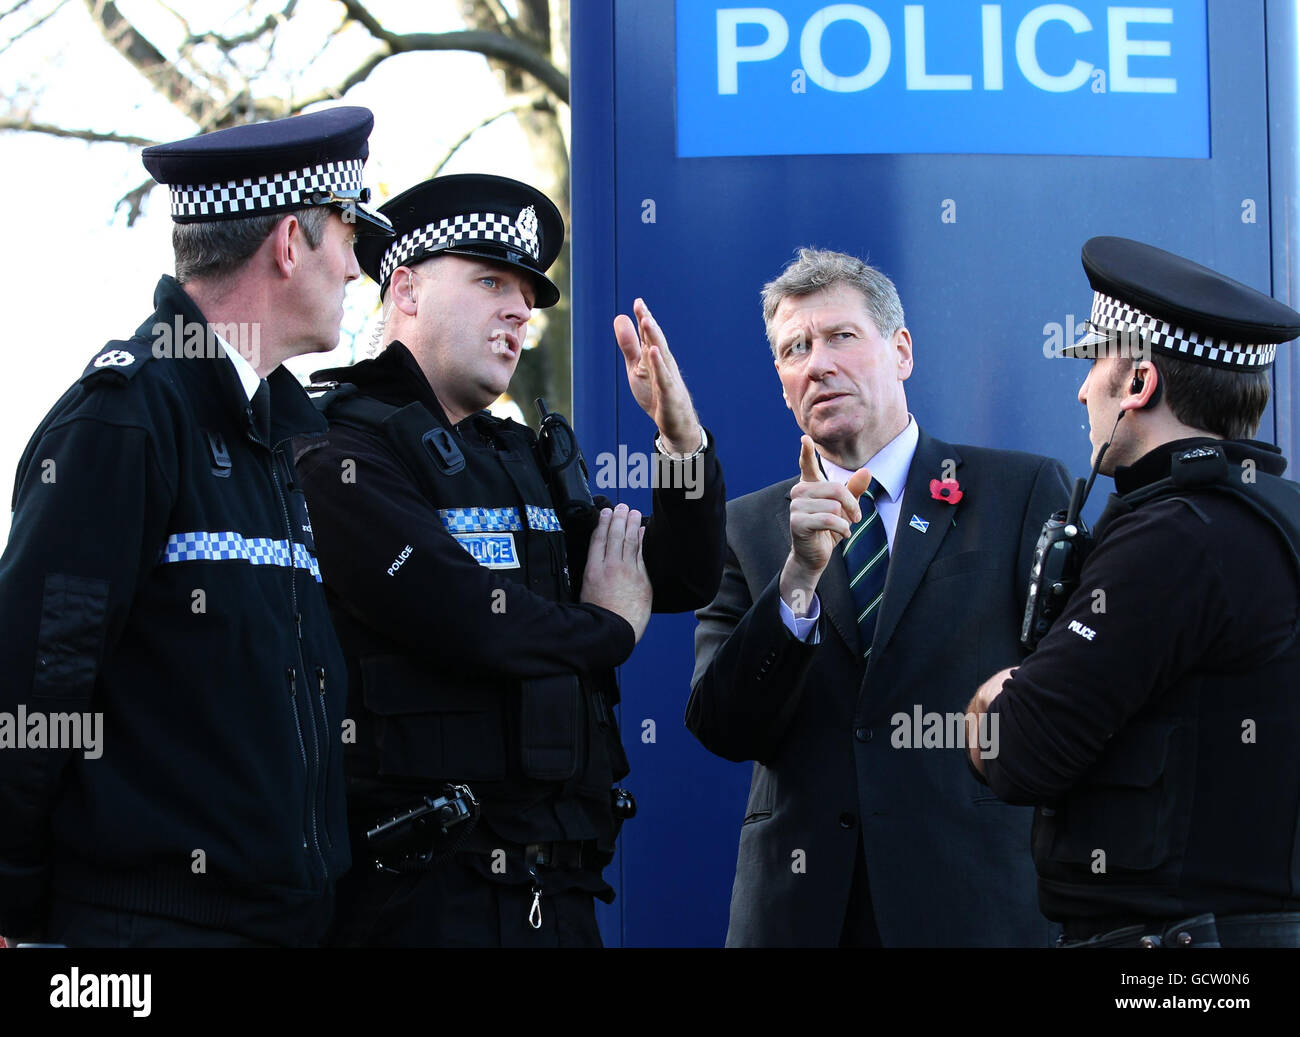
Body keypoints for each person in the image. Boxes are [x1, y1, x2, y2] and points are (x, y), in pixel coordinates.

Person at [296, 173, 726, 947]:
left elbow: (683, 574)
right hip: (419, 904)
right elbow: (463, 613)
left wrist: (681, 441)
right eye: (489, 279)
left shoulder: (521, 454)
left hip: (557, 893)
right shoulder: (340, 446)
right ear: (406, 290)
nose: (518, 309)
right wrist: (607, 629)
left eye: (525, 291)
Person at [0, 107, 393, 947]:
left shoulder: (272, 439)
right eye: (349, 236)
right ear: (291, 241)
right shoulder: (124, 423)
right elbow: (34, 690)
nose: (360, 269)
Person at [688, 247, 1070, 947]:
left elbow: (1074, 697)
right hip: (804, 916)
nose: (818, 363)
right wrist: (797, 580)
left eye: (840, 336)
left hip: (977, 906)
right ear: (781, 384)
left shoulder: (1018, 493)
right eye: (794, 348)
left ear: (900, 351)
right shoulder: (745, 529)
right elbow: (723, 726)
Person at [967, 236, 1300, 948]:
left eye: (1094, 362)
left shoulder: (1173, 538)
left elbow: (1023, 748)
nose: (1082, 388)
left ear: (1140, 385)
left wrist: (991, 700)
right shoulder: (1274, 518)